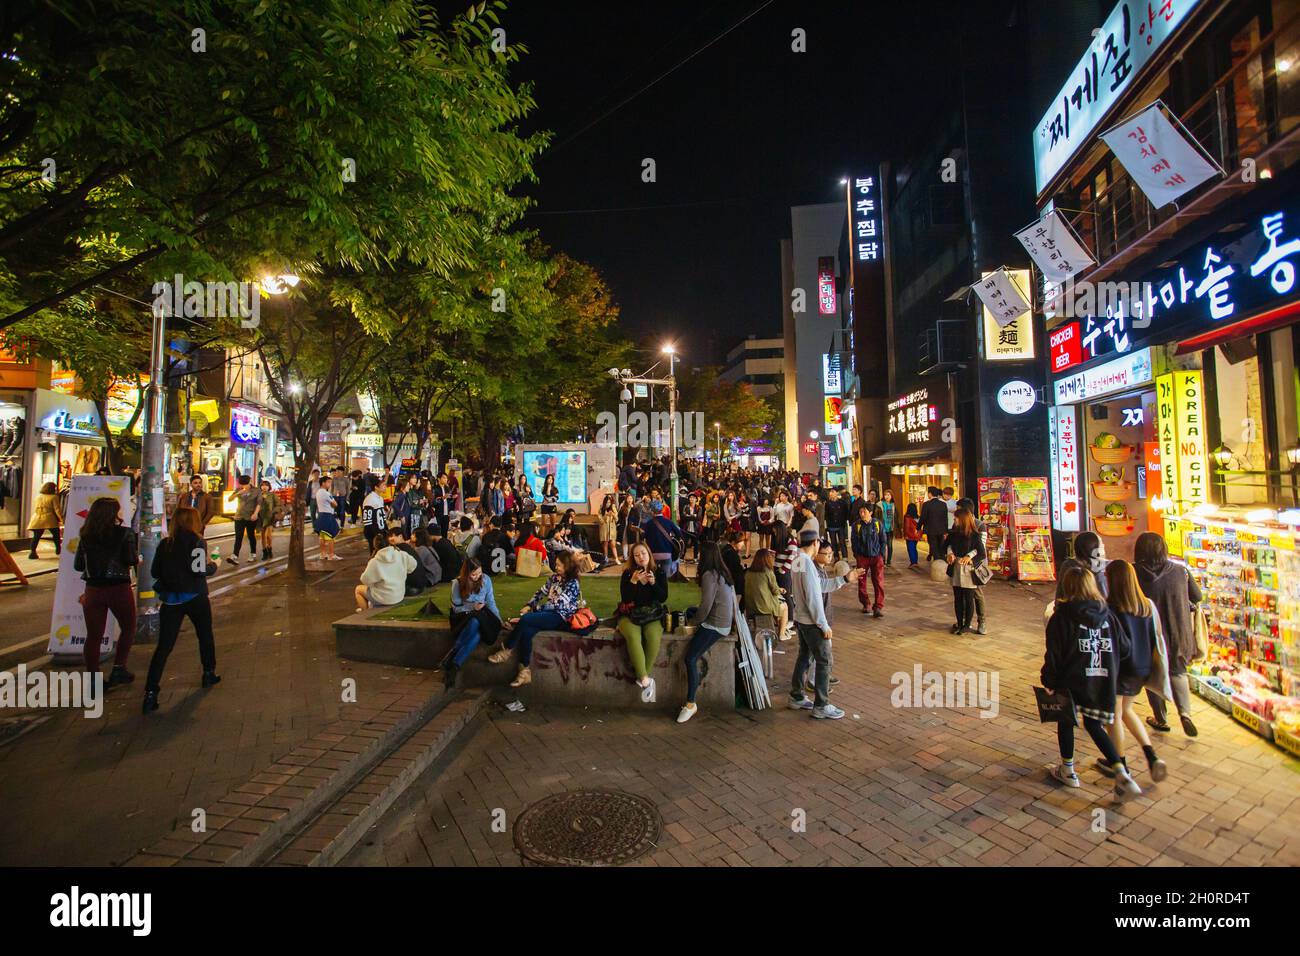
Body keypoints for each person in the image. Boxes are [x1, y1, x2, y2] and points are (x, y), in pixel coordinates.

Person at [1042, 564, 1141, 800]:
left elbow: (1054, 653)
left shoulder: (1062, 616)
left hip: (1071, 679)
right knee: (1094, 725)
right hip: (1102, 680)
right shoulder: (1108, 615)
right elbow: (1125, 648)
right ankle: (1121, 771)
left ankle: (1068, 769)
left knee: (1066, 721)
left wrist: (1049, 679)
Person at [143, 506, 220, 713]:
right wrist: (213, 565)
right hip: (195, 596)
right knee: (205, 635)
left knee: (164, 647)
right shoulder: (197, 541)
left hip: (171, 600)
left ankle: (151, 691)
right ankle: (208, 672)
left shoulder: (165, 544)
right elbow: (199, 570)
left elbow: (154, 571)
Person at [1104, 560, 1170, 783]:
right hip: (1142, 667)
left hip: (1119, 668)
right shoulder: (1147, 605)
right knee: (1127, 711)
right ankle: (1152, 756)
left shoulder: (1111, 608)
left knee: (1113, 718)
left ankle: (1120, 764)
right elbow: (1157, 637)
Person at [1134, 531, 1201, 738]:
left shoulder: (1134, 572)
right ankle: (1185, 713)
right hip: (1177, 630)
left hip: (1148, 632)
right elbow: (1197, 596)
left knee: (1153, 673)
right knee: (1178, 671)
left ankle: (1161, 719)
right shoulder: (1180, 571)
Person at [490, 550, 586, 688]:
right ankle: (525, 671)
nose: (556, 566)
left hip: (561, 617)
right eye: (556, 564)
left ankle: (507, 649)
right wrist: (529, 604)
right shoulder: (554, 578)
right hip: (549, 614)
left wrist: (534, 610)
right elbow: (541, 592)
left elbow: (557, 605)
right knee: (527, 630)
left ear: (568, 566)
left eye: (559, 565)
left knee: (526, 620)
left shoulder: (573, 584)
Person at [74, 497, 139, 686]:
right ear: (112, 514)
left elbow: (79, 565)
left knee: (93, 635)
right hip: (118, 588)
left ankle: (93, 679)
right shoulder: (124, 533)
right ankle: (119, 668)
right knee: (128, 627)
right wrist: (137, 559)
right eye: (118, 512)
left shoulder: (86, 535)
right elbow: (130, 559)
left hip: (93, 589)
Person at [677, 541, 736, 724]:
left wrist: (693, 624)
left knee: (690, 658)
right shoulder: (722, 572)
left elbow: (705, 607)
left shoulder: (709, 575)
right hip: (722, 620)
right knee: (688, 610)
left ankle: (690, 703)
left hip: (716, 625)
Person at [787, 529, 843, 719]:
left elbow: (816, 587)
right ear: (816, 544)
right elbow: (814, 598)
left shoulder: (797, 559)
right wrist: (823, 625)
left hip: (801, 618)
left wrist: (843, 580)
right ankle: (821, 704)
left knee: (804, 656)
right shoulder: (808, 565)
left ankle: (797, 695)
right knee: (825, 660)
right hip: (811, 622)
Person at [617, 543, 668, 703]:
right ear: (633, 558)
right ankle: (645, 680)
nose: (641, 557)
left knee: (653, 636)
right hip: (630, 613)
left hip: (652, 614)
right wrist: (633, 582)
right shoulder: (627, 574)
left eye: (643, 553)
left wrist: (653, 583)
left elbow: (662, 597)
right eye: (637, 555)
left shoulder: (658, 572)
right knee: (633, 635)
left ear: (649, 554)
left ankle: (642, 675)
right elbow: (626, 599)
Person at [441, 558, 501, 690]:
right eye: (474, 574)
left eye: (479, 573)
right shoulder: (457, 583)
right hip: (462, 618)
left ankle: (454, 660)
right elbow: (456, 607)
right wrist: (472, 607)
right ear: (467, 573)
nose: (477, 577)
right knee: (475, 624)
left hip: (480, 614)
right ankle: (455, 660)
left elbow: (491, 602)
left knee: (477, 625)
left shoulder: (486, 580)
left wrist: (498, 619)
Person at [943, 508, 986, 635]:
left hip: (969, 570)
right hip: (956, 568)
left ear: (962, 519)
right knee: (958, 598)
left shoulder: (974, 534)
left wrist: (970, 557)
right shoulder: (953, 533)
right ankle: (959, 623)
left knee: (969, 598)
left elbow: (981, 553)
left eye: (956, 518)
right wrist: (949, 553)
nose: (954, 520)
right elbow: (945, 546)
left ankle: (966, 625)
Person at [354, 529, 417, 611]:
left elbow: (365, 580)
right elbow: (413, 565)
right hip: (399, 594)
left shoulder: (375, 561)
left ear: (375, 546)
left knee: (358, 589)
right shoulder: (401, 554)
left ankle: (365, 612)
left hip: (384, 597)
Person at [851, 501, 887, 617]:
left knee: (878, 581)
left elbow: (883, 540)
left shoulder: (877, 524)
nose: (862, 514)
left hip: (876, 557)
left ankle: (878, 606)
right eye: (860, 512)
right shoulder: (856, 525)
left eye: (864, 512)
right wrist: (857, 555)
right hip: (862, 557)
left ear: (870, 512)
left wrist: (881, 555)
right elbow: (854, 541)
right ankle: (866, 604)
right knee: (862, 581)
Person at [744, 549, 788, 642]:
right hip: (764, 607)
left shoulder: (748, 572)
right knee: (784, 607)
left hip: (751, 606)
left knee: (775, 604)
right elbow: (775, 591)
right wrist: (781, 590)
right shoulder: (768, 572)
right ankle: (782, 634)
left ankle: (777, 627)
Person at [227, 474, 262, 565]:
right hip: (239, 516)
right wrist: (238, 494)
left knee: (251, 536)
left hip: (251, 517)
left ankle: (253, 554)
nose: (243, 486)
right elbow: (229, 499)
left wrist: (255, 513)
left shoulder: (256, 491)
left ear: (249, 482)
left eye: (245, 484)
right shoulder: (239, 490)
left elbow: (259, 503)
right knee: (238, 536)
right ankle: (235, 556)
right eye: (241, 484)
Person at [27, 481, 63, 559]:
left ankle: (32, 552)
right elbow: (57, 510)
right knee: (56, 534)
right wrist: (62, 519)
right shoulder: (54, 497)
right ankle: (58, 549)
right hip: (49, 518)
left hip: (37, 517)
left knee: (36, 536)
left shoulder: (38, 496)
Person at [406, 527, 443, 594]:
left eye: (413, 534)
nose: (411, 536)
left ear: (418, 537)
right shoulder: (428, 546)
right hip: (437, 575)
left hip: (431, 577)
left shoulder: (421, 549)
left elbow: (415, 565)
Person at [313, 474, 341, 561]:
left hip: (321, 515)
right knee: (331, 536)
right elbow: (335, 504)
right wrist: (333, 504)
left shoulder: (318, 492)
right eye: (328, 482)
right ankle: (331, 555)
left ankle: (322, 554)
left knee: (322, 537)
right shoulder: (326, 493)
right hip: (327, 516)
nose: (330, 484)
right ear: (323, 483)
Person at [919, 486, 948, 563]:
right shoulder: (943, 504)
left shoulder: (926, 504)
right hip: (941, 530)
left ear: (930, 494)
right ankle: (942, 562)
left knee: (934, 547)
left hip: (930, 530)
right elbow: (945, 518)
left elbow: (923, 518)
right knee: (941, 547)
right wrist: (946, 530)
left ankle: (937, 564)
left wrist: (918, 527)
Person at [361, 477, 387, 556]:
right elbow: (367, 520)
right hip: (373, 532)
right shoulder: (370, 499)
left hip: (381, 530)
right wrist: (376, 533)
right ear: (376, 487)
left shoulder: (380, 498)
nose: (385, 487)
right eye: (383, 485)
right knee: (374, 553)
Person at [257, 480, 282, 560]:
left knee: (268, 536)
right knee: (263, 536)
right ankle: (264, 552)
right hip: (260, 517)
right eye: (263, 485)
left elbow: (278, 505)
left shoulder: (272, 495)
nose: (264, 487)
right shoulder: (258, 495)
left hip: (270, 517)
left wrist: (273, 512)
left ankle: (269, 549)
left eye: (266, 485)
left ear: (269, 487)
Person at [824, 487, 849, 562]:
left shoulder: (842, 502)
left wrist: (844, 522)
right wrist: (827, 525)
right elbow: (826, 515)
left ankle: (845, 557)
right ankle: (836, 557)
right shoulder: (827, 503)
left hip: (840, 525)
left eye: (833, 491)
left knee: (842, 541)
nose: (831, 493)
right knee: (833, 542)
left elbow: (846, 513)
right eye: (830, 492)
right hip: (831, 525)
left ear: (837, 493)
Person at [879, 489, 896, 566]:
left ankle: (888, 561)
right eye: (885, 495)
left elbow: (896, 517)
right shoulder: (880, 504)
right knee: (882, 545)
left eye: (888, 495)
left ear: (891, 496)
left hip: (890, 528)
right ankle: (882, 559)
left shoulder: (893, 505)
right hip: (882, 528)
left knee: (889, 545)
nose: (887, 496)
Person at [903, 501, 922, 569]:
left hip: (909, 536)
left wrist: (905, 534)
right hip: (916, 535)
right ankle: (915, 562)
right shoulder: (918, 517)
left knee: (910, 549)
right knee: (914, 548)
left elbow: (906, 527)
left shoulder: (907, 517)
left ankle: (913, 562)